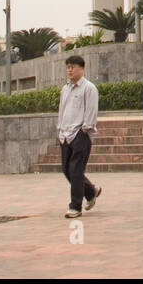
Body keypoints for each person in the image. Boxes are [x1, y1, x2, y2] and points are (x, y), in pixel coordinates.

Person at [53, 54, 101, 219]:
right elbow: (62, 110)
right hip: (65, 134)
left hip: (81, 134)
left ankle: (75, 206)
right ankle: (90, 191)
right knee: (67, 170)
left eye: (72, 67)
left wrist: (85, 129)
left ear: (82, 69)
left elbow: (91, 111)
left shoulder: (89, 88)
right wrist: (60, 129)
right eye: (68, 67)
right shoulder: (65, 89)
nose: (70, 70)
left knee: (76, 170)